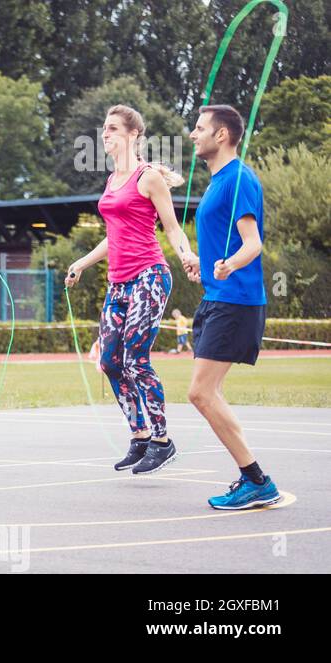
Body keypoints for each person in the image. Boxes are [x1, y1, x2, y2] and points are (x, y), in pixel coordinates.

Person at [65, 105, 200, 475]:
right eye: (103, 129)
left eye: (111, 129)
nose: (104, 135)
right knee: (109, 361)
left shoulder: (148, 177)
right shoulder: (111, 180)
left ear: (132, 135)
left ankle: (162, 440)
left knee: (135, 359)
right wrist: (80, 263)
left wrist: (187, 255)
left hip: (150, 276)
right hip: (119, 282)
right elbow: (113, 237)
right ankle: (139, 436)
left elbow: (172, 228)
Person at [185, 104, 282, 509]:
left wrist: (230, 265)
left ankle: (256, 479)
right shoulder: (218, 181)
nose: (192, 134)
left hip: (234, 300)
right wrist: (204, 265)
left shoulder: (239, 178)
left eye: (199, 128)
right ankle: (254, 479)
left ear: (221, 135)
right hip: (217, 296)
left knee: (201, 393)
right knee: (209, 393)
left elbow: (253, 243)